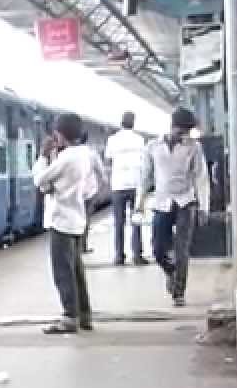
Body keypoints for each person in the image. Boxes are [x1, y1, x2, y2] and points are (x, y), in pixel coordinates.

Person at [33, 112, 100, 334]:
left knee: (63, 272)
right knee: (76, 271)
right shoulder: (84, 155)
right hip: (76, 218)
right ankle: (84, 315)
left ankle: (70, 317)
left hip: (61, 220)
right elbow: (88, 190)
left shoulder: (67, 157)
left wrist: (42, 157)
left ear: (60, 134)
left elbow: (40, 179)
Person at [137, 106, 210, 307]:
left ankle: (179, 292)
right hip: (161, 202)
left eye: (188, 132)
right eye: (183, 131)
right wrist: (139, 202)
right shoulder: (153, 146)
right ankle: (171, 271)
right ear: (173, 126)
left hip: (186, 202)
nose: (185, 135)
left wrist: (204, 207)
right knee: (158, 249)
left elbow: (201, 177)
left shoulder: (194, 148)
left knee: (181, 249)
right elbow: (145, 176)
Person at [103, 111, 149, 266]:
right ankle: (137, 255)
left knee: (119, 222)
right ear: (133, 123)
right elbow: (144, 161)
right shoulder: (139, 140)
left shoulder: (112, 140)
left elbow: (108, 159)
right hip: (136, 184)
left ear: (121, 122)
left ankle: (119, 256)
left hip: (118, 185)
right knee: (136, 221)